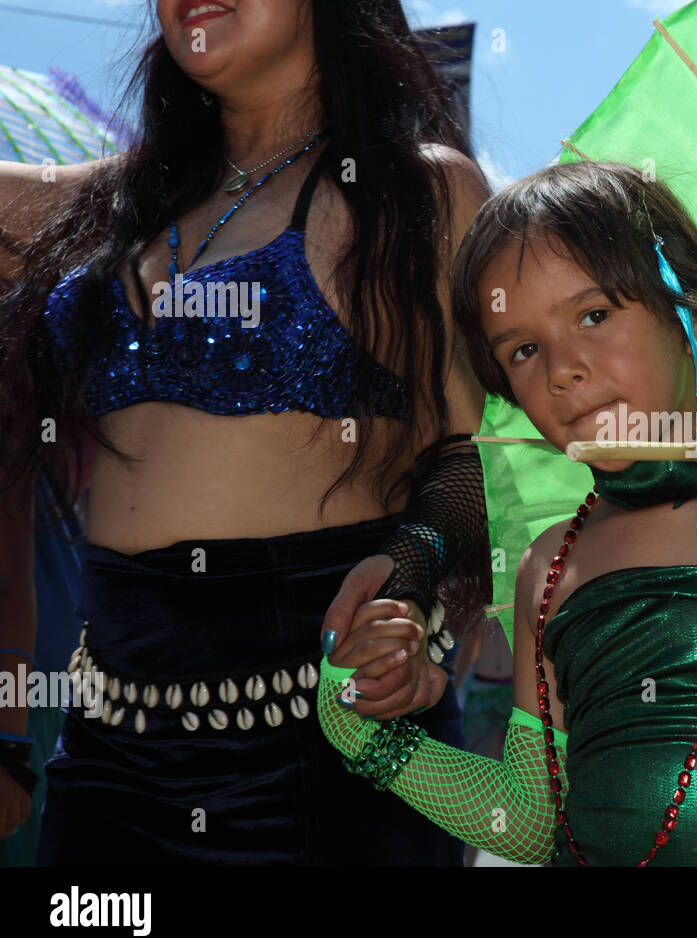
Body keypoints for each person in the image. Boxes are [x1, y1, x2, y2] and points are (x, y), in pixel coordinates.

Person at [317, 161, 697, 866]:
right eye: (524, 350)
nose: (562, 369)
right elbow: (531, 820)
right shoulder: (549, 564)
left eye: (594, 315)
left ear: (696, 317)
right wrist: (371, 739)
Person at [0, 0, 491, 864]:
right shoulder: (114, 199)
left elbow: (462, 459)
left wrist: (410, 576)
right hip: (109, 750)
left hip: (335, 733)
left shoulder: (417, 189)